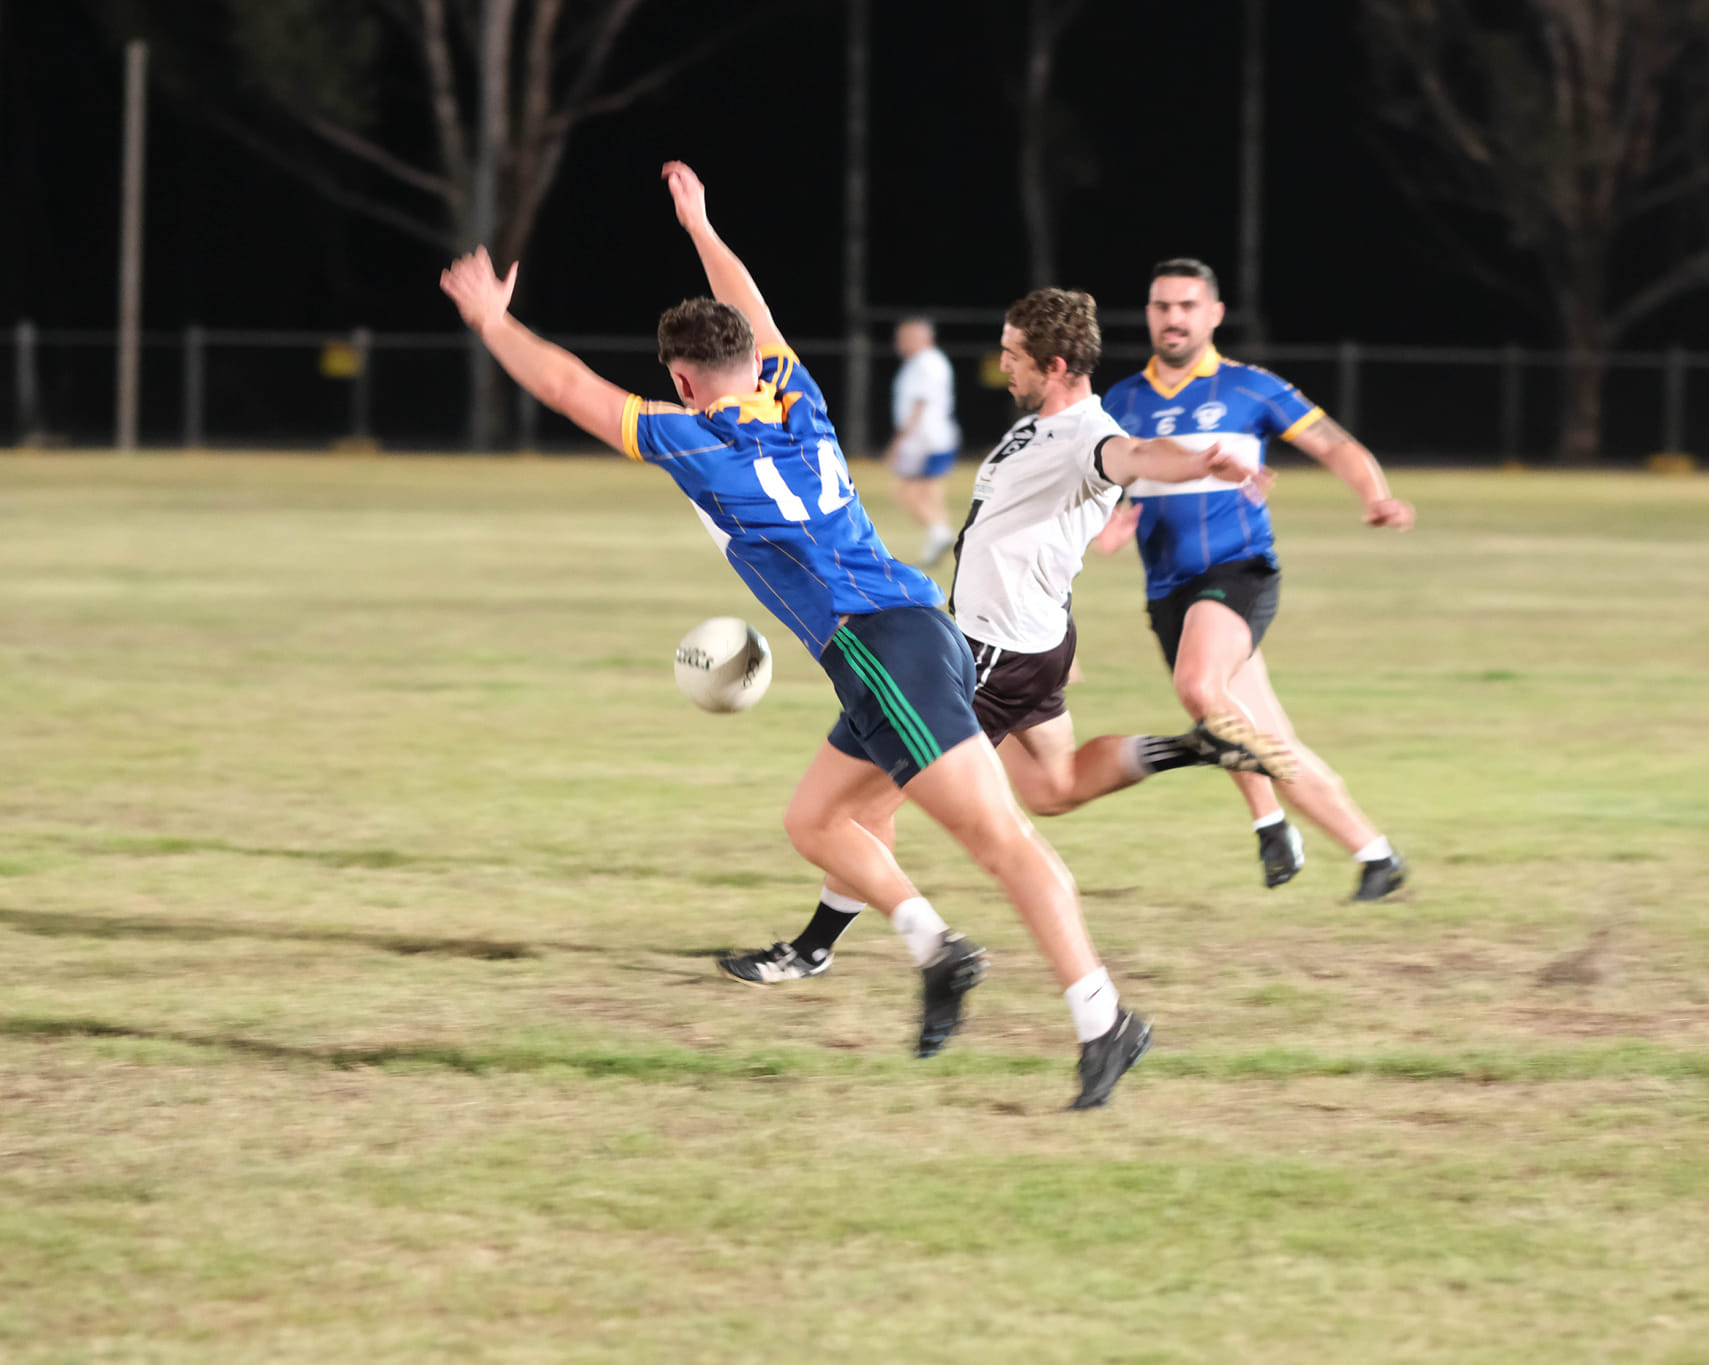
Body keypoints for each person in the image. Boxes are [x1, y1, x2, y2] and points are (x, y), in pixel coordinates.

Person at [437, 161, 1149, 1108]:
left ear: (684, 381)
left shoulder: (698, 437)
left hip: (883, 647)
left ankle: (1105, 1019)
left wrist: (491, 322)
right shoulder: (793, 391)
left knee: (1002, 840)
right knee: (816, 821)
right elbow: (752, 308)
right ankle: (937, 949)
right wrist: (698, 223)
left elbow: (571, 387)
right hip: (894, 638)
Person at [719, 287, 1295, 986]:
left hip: (988, 654)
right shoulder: (1040, 424)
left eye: (1012, 354)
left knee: (858, 807)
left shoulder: (1087, 435)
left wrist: (1203, 462)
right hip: (1035, 645)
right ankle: (1192, 745)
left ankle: (812, 949)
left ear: (1054, 365)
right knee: (1053, 787)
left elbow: (1141, 454)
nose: (1002, 364)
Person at [1097, 257, 1417, 900]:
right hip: (1167, 589)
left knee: (1199, 685)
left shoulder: (1250, 388)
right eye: (1162, 306)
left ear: (1213, 315)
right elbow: (1100, 490)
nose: (1174, 318)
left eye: (1188, 306)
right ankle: (1373, 855)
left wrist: (1374, 495)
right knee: (1249, 726)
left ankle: (1272, 824)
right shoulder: (1120, 401)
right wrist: (1101, 531)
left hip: (1238, 569)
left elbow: (1334, 443)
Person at [885, 318, 961, 568]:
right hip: (934, 437)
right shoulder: (927, 361)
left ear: (922, 338)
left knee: (905, 493)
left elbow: (920, 403)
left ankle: (940, 533)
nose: (900, 343)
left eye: (905, 338)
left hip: (926, 439)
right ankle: (938, 539)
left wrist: (899, 441)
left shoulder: (925, 363)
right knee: (930, 496)